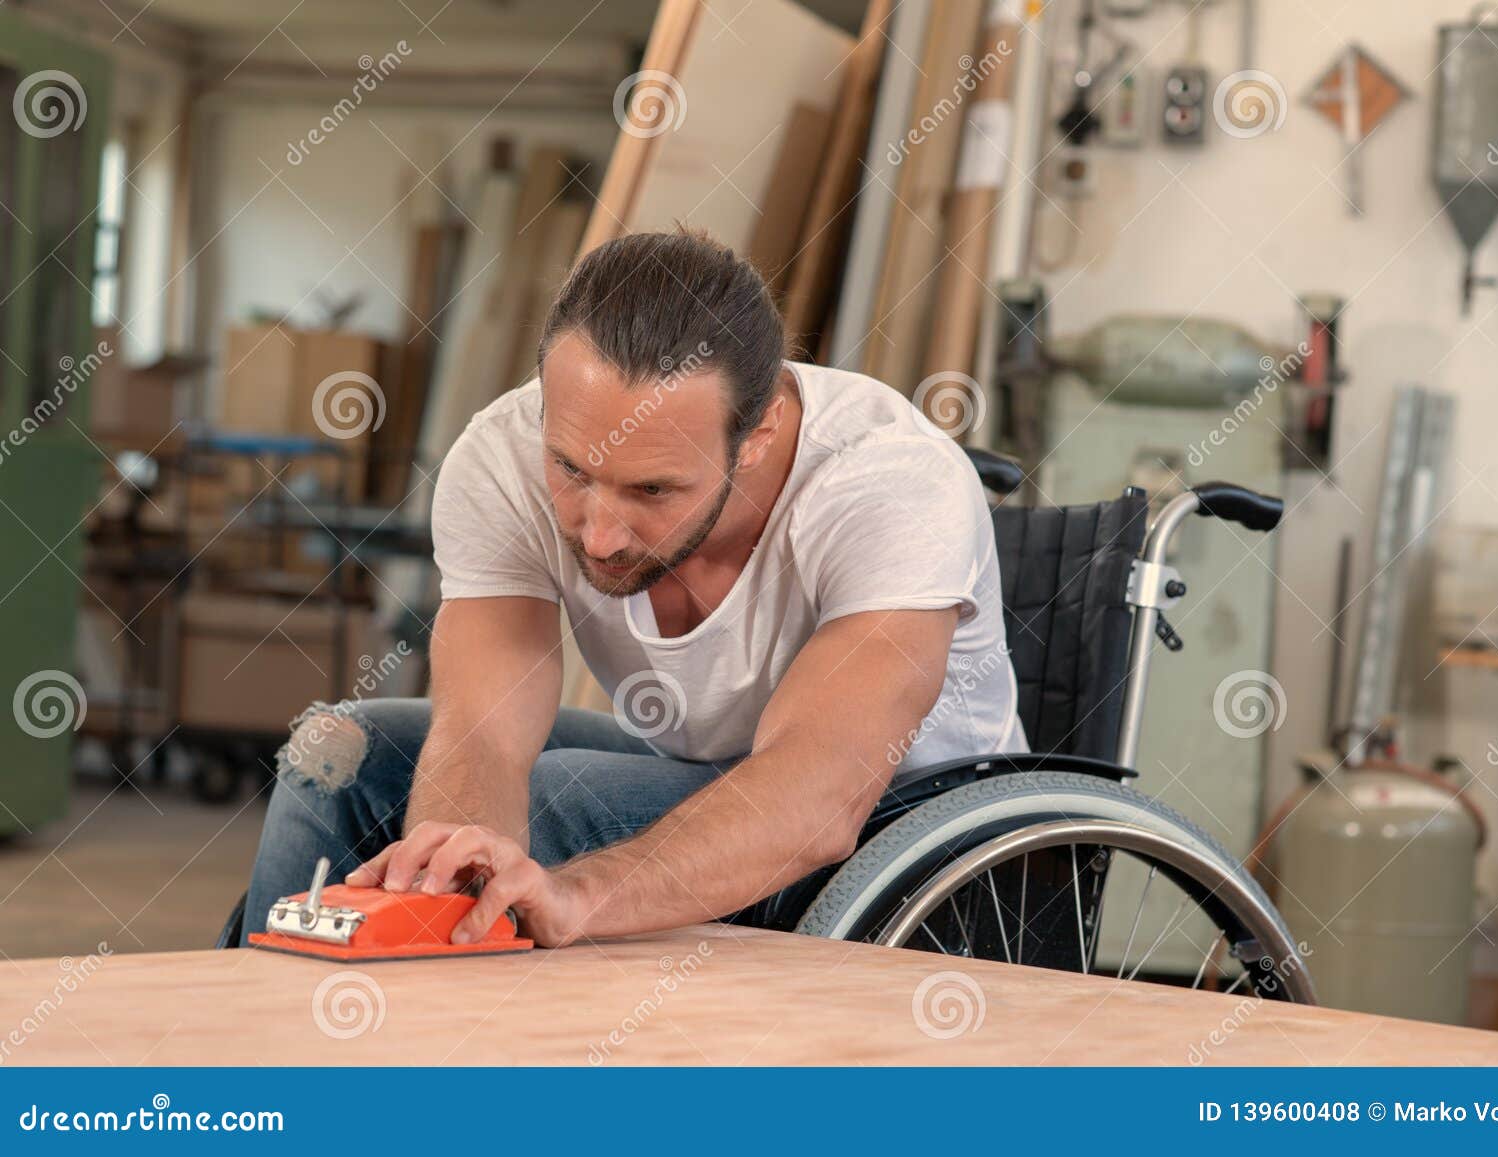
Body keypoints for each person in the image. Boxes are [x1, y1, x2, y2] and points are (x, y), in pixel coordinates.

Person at [243, 228, 1026, 945]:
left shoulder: (891, 481)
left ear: (759, 433)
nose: (599, 535)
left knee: (558, 800)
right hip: (705, 775)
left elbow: (818, 797)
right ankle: (267, 1035)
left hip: (917, 826)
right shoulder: (502, 454)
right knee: (339, 755)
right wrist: (458, 862)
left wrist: (574, 895)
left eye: (652, 490)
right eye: (572, 470)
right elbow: (483, 731)